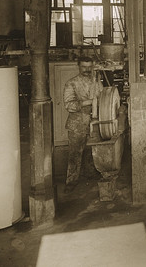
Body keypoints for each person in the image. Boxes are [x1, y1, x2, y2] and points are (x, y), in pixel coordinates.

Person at [63, 56, 103, 194]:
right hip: (77, 124)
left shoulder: (97, 82)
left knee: (91, 150)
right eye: (84, 67)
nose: (87, 70)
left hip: (94, 122)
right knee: (75, 153)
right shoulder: (71, 83)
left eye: (89, 67)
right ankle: (71, 181)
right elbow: (69, 105)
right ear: (78, 66)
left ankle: (90, 174)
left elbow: (103, 98)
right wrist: (89, 102)